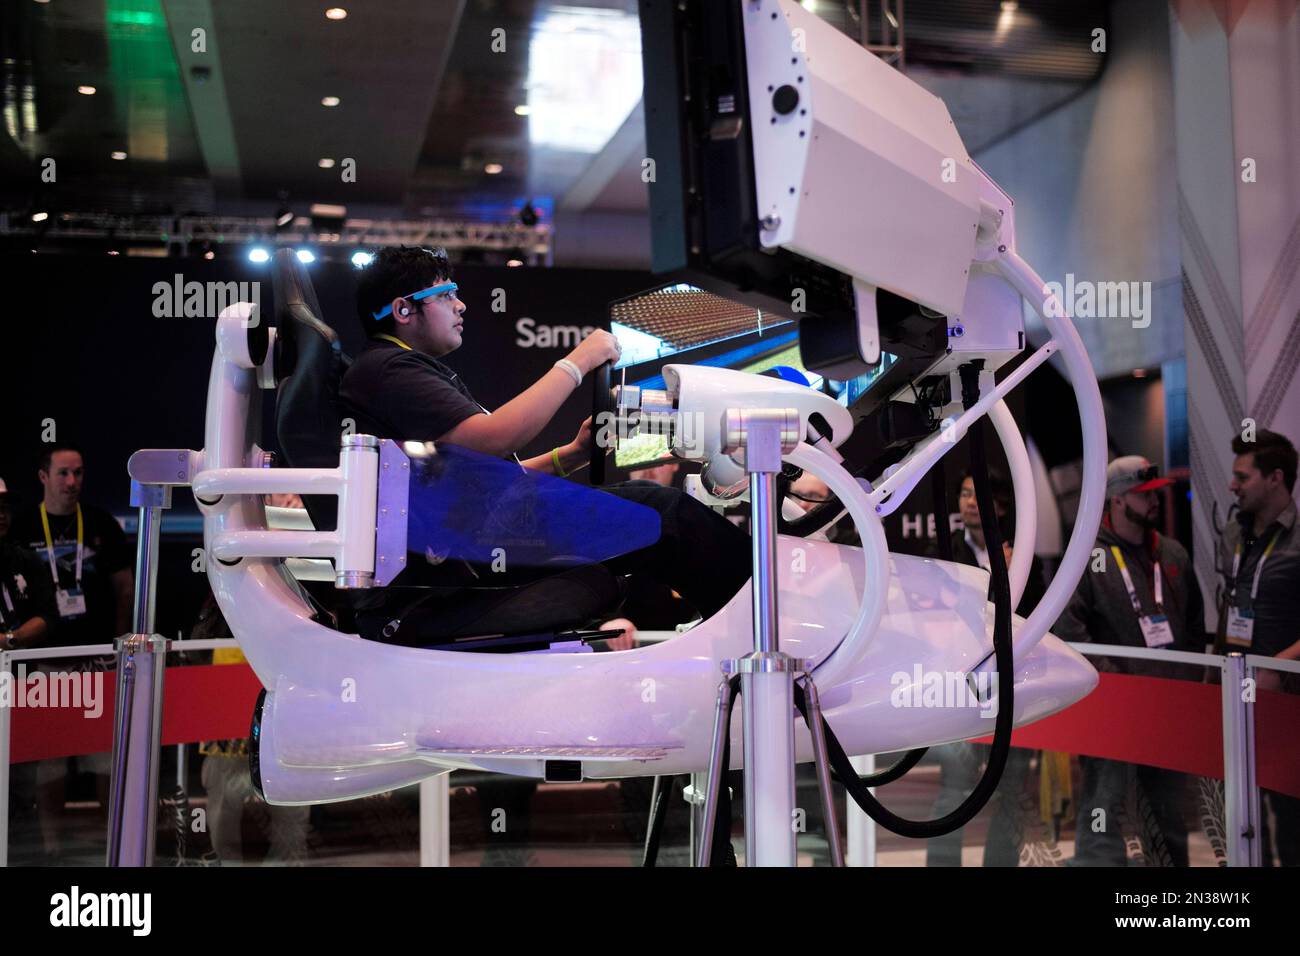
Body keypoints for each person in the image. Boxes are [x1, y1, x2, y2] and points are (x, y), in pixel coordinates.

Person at [337, 246, 753, 645]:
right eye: (445, 294)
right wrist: (577, 362)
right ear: (403, 309)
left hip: (465, 554)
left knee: (654, 510)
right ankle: (767, 625)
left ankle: (745, 630)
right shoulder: (389, 369)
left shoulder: (394, 370)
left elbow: (483, 481)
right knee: (668, 514)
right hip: (444, 582)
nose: (460, 305)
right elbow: (493, 439)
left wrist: (569, 454)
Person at [1054, 455, 1205, 866]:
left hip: (1167, 711)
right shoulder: (1086, 556)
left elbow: (1193, 627)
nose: (1154, 503)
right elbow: (1068, 629)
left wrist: (1187, 682)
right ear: (1118, 501)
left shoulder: (1172, 554)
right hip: (1115, 712)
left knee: (1168, 817)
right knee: (1103, 813)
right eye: (1143, 496)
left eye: (1155, 495)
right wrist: (1115, 683)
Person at [10, 443, 134, 860]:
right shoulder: (23, 526)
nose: (72, 482)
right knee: (50, 758)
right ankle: (47, 850)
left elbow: (125, 588)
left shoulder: (100, 523)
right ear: (43, 477)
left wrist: (118, 646)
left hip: (98, 659)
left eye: (79, 473)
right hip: (44, 662)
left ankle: (108, 847)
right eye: (63, 473)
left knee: (103, 756)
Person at [925, 469, 1047, 867]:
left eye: (978, 495)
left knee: (1012, 786)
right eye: (963, 494)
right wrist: (997, 580)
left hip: (1011, 685)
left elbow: (1037, 619)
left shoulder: (1025, 555)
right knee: (956, 787)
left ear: (1001, 504)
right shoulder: (940, 551)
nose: (969, 502)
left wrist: (1012, 575)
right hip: (958, 686)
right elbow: (943, 619)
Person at [1217, 428, 1299, 866]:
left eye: (1242, 476)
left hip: (1286, 700)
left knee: (1291, 815)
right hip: (1237, 696)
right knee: (1242, 815)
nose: (1233, 485)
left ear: (1275, 478)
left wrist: (1276, 667)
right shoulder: (1233, 530)